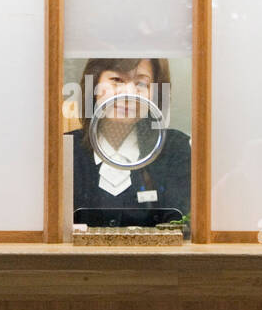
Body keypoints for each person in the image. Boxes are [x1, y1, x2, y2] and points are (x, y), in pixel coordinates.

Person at [66, 57, 190, 225]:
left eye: (141, 84)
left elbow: (182, 229)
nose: (129, 94)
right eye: (117, 80)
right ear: (94, 86)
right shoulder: (66, 149)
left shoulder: (176, 149)